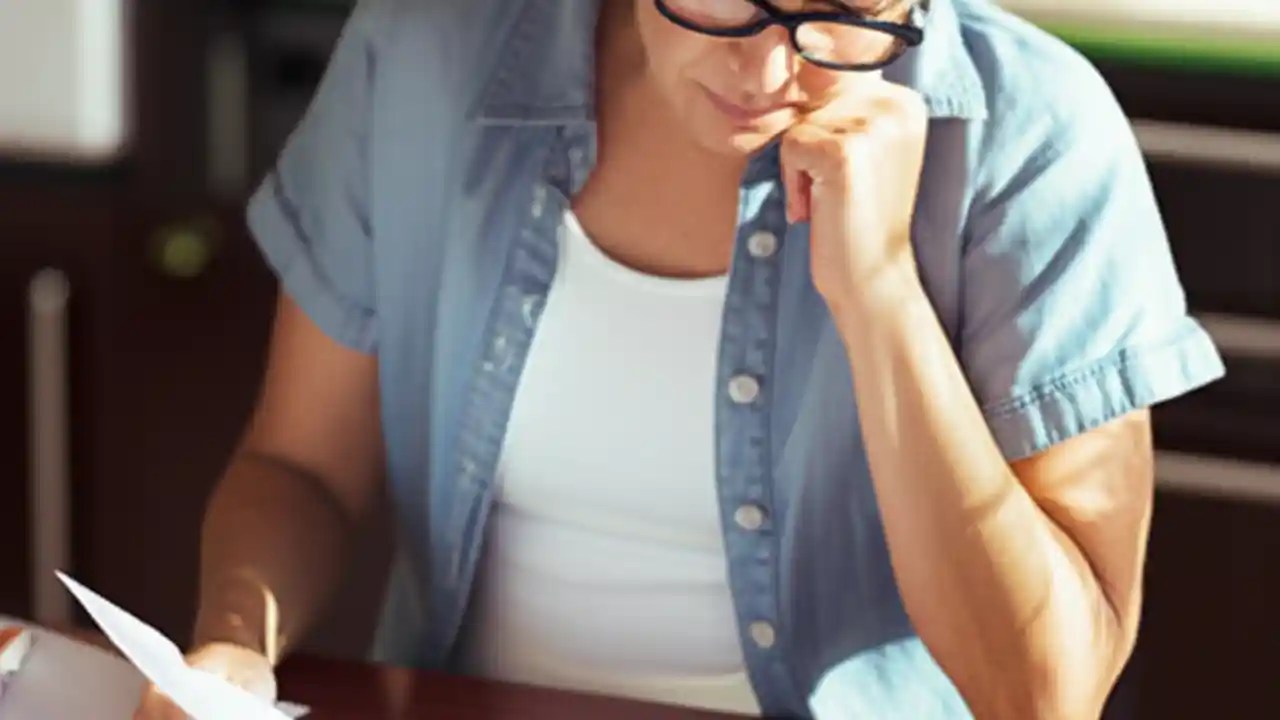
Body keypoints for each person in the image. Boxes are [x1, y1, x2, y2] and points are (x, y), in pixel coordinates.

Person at [135, 0, 1225, 718]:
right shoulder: (430, 47)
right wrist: (231, 648)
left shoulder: (1030, 134)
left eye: (838, 10)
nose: (764, 69)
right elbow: (302, 468)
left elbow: (1046, 691)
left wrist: (879, 292)